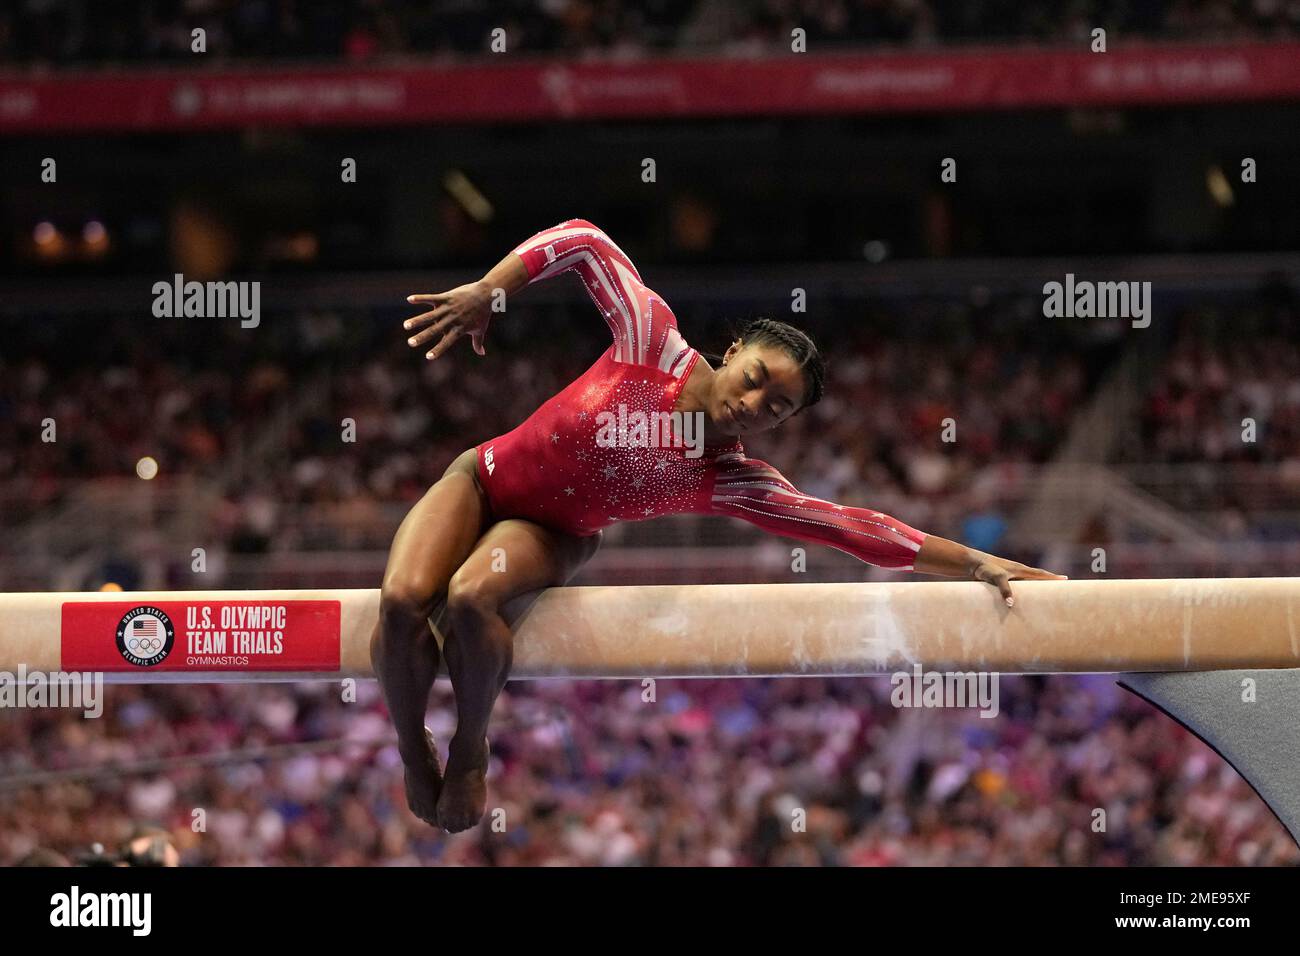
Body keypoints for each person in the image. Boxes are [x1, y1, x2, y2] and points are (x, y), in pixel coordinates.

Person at [370, 218, 1065, 833]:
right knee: (402, 603)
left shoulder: (727, 475)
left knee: (468, 596)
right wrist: (489, 290)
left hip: (550, 532)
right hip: (481, 479)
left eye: (778, 409)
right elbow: (585, 241)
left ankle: (469, 750)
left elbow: (851, 527)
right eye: (758, 377)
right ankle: (412, 749)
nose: (755, 404)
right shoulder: (650, 339)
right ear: (734, 351)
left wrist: (977, 563)